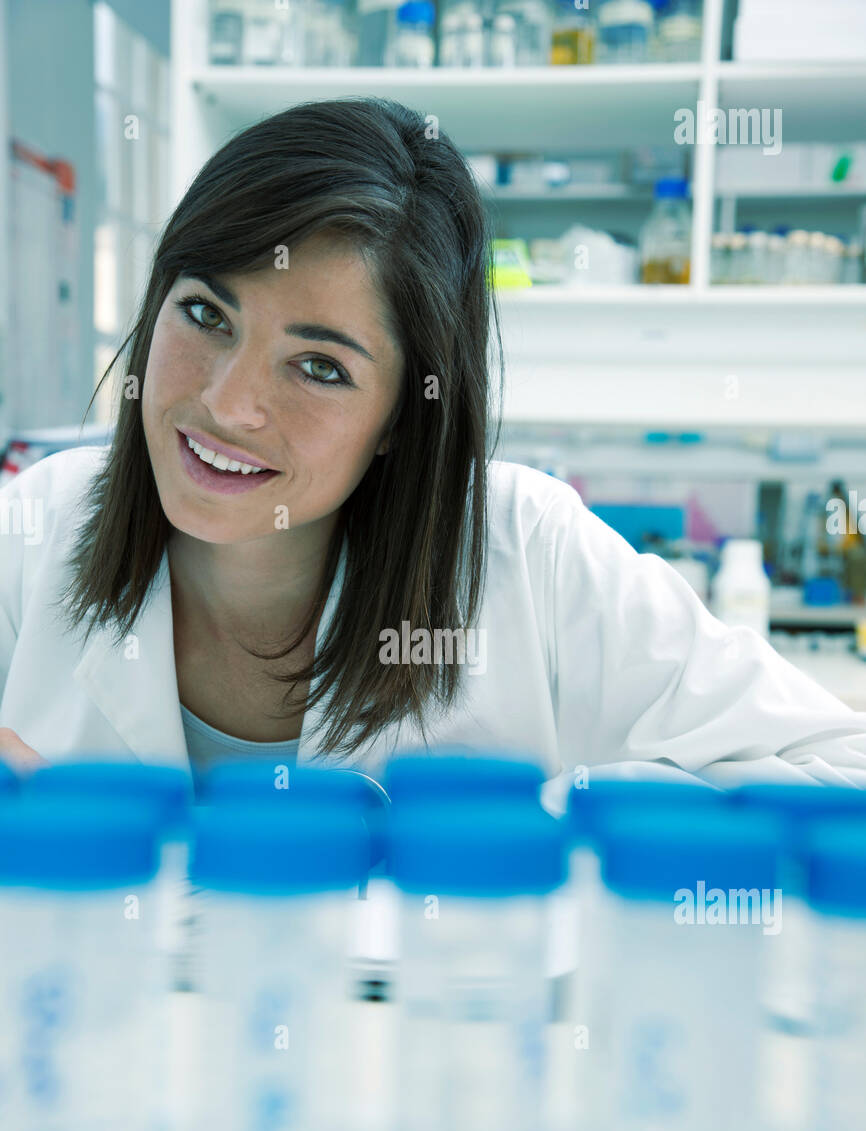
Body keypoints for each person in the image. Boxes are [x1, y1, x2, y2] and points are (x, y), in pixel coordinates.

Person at [1, 97, 865, 789]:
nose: (229, 404)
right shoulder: (36, 528)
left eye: (319, 367)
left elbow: (840, 770)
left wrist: (536, 823)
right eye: (204, 314)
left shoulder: (526, 555)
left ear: (402, 418)